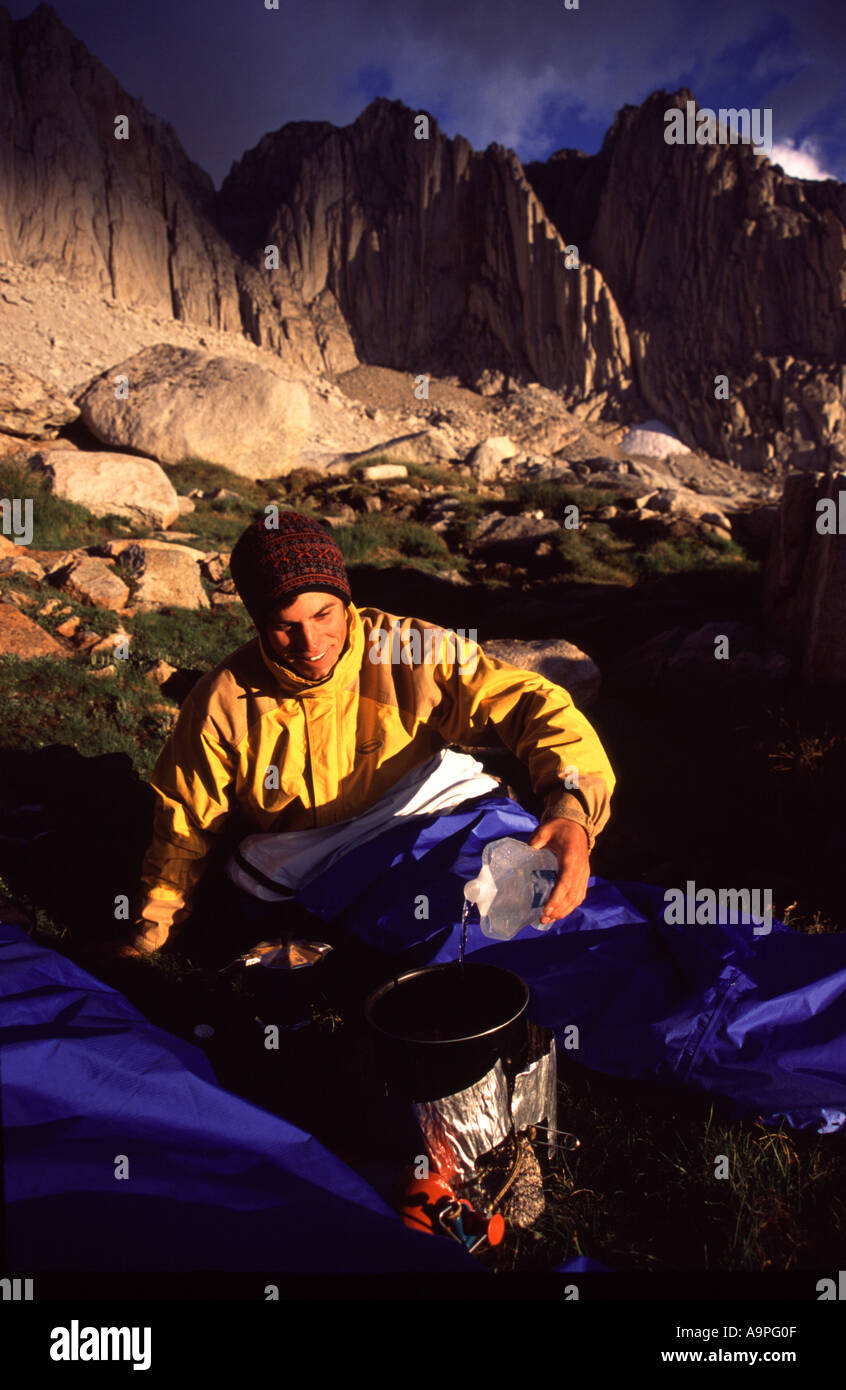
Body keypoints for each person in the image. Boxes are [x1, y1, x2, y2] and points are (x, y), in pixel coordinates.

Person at [125, 511, 616, 959]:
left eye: (323, 615)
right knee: (462, 942)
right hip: (322, 863)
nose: (310, 644)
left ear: (345, 600)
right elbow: (183, 825)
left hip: (440, 808)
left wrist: (571, 808)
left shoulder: (406, 649)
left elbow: (532, 702)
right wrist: (151, 938)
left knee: (574, 910)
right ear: (257, 623)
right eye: (283, 626)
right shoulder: (222, 703)